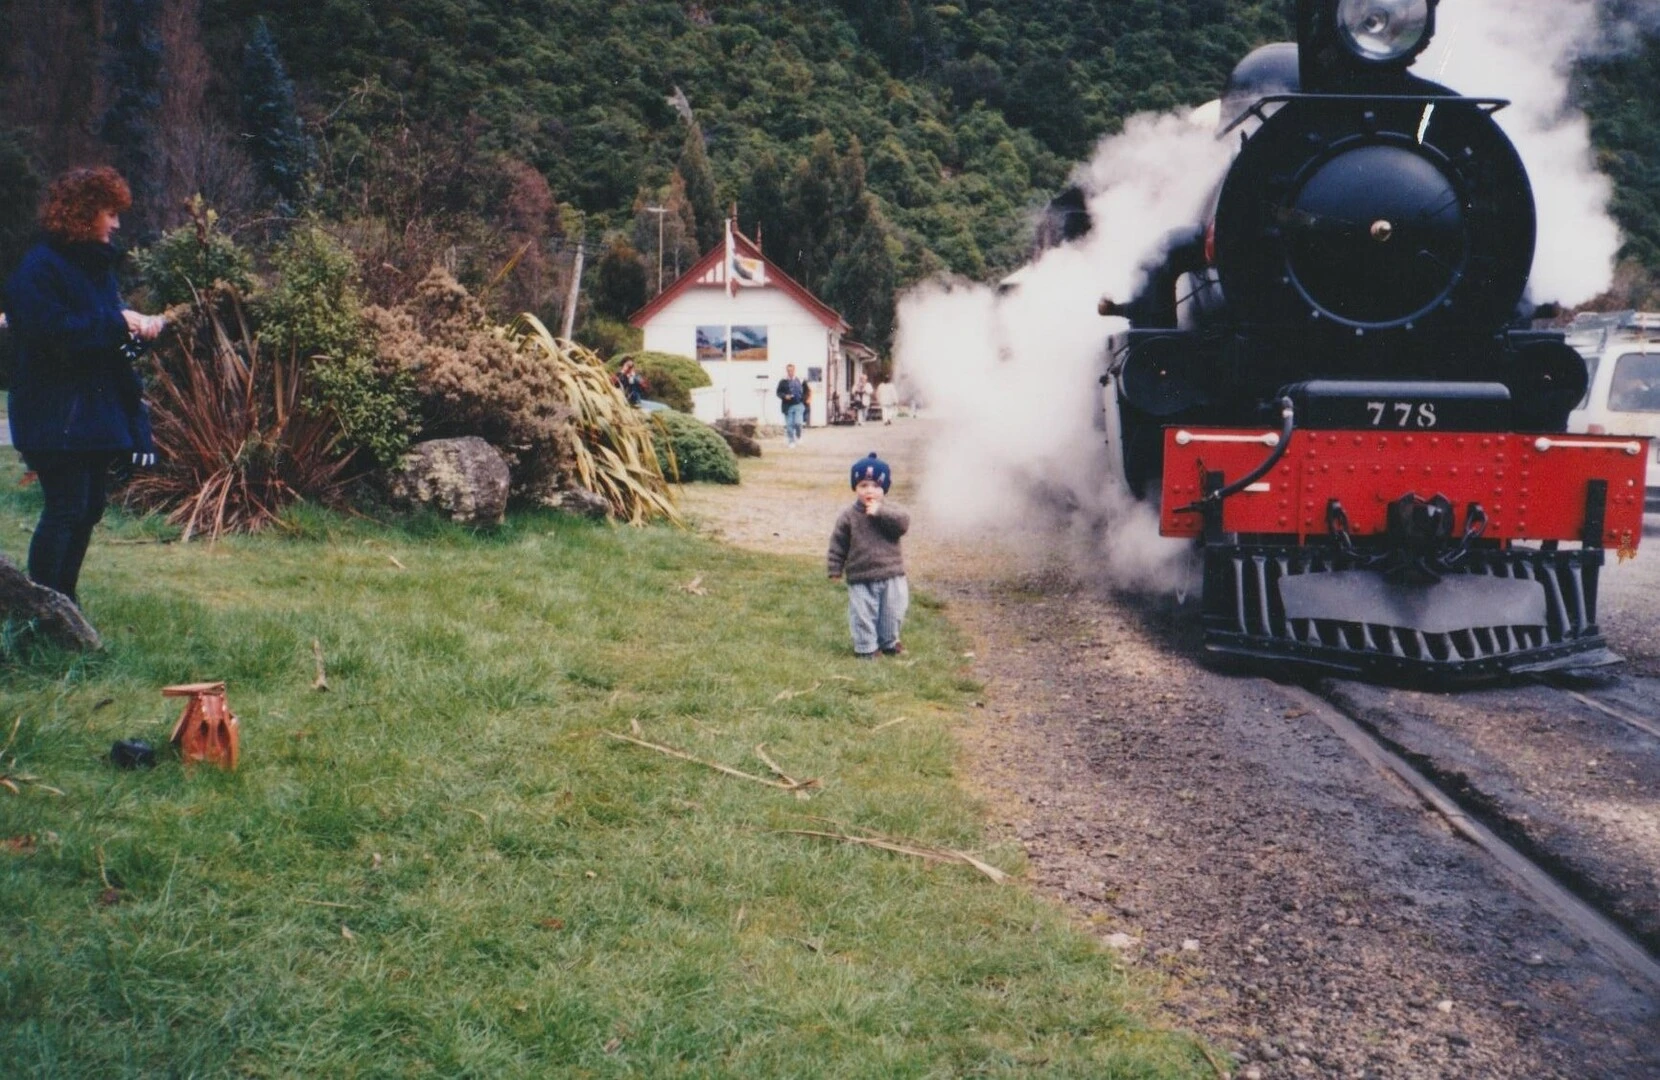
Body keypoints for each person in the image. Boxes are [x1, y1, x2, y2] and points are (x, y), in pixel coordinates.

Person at [4, 166, 161, 606]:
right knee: (67, 507)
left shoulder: (95, 270)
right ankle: (42, 611)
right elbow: (49, 335)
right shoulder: (38, 268)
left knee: (89, 507)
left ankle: (63, 604)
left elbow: (99, 338)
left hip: (87, 416)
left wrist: (131, 337)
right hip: (54, 414)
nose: (116, 223)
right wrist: (116, 323)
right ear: (83, 211)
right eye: (109, 212)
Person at [826, 452, 909, 659]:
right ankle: (866, 648)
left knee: (892, 612)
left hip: (891, 573)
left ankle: (889, 642)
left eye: (875, 486)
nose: (869, 491)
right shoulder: (848, 516)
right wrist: (835, 568)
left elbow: (902, 525)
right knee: (863, 614)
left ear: (884, 489)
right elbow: (838, 543)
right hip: (861, 575)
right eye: (863, 485)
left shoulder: (890, 511)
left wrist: (879, 512)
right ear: (855, 488)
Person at [776, 363, 807, 446]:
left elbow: (807, 391)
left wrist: (804, 400)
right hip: (788, 406)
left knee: (798, 423)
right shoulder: (783, 381)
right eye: (788, 371)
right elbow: (778, 392)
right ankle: (791, 441)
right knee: (789, 425)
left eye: (791, 370)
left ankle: (799, 436)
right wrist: (785, 396)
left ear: (794, 370)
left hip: (798, 404)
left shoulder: (800, 380)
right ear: (787, 371)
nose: (790, 372)